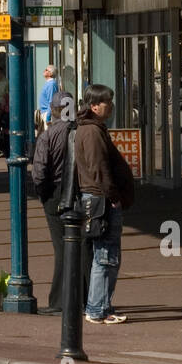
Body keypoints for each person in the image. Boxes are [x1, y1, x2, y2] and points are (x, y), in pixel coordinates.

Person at [75, 84, 136, 325]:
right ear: (93, 106)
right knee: (106, 255)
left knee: (106, 255)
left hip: (98, 196)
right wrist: (114, 196)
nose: (110, 105)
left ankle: (100, 306)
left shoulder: (93, 129)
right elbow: (99, 168)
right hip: (100, 198)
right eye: (106, 102)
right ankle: (98, 308)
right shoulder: (92, 132)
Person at [31, 88, 78, 315]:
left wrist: (43, 193)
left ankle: (60, 299)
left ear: (54, 110)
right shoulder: (80, 131)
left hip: (54, 193)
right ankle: (84, 295)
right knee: (80, 245)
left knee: (61, 246)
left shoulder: (48, 136)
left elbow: (39, 172)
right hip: (78, 193)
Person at [37, 65, 59, 132]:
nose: (44, 71)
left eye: (46, 70)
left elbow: (51, 101)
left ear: (50, 73)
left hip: (48, 113)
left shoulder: (51, 84)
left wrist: (48, 118)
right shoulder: (49, 83)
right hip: (46, 113)